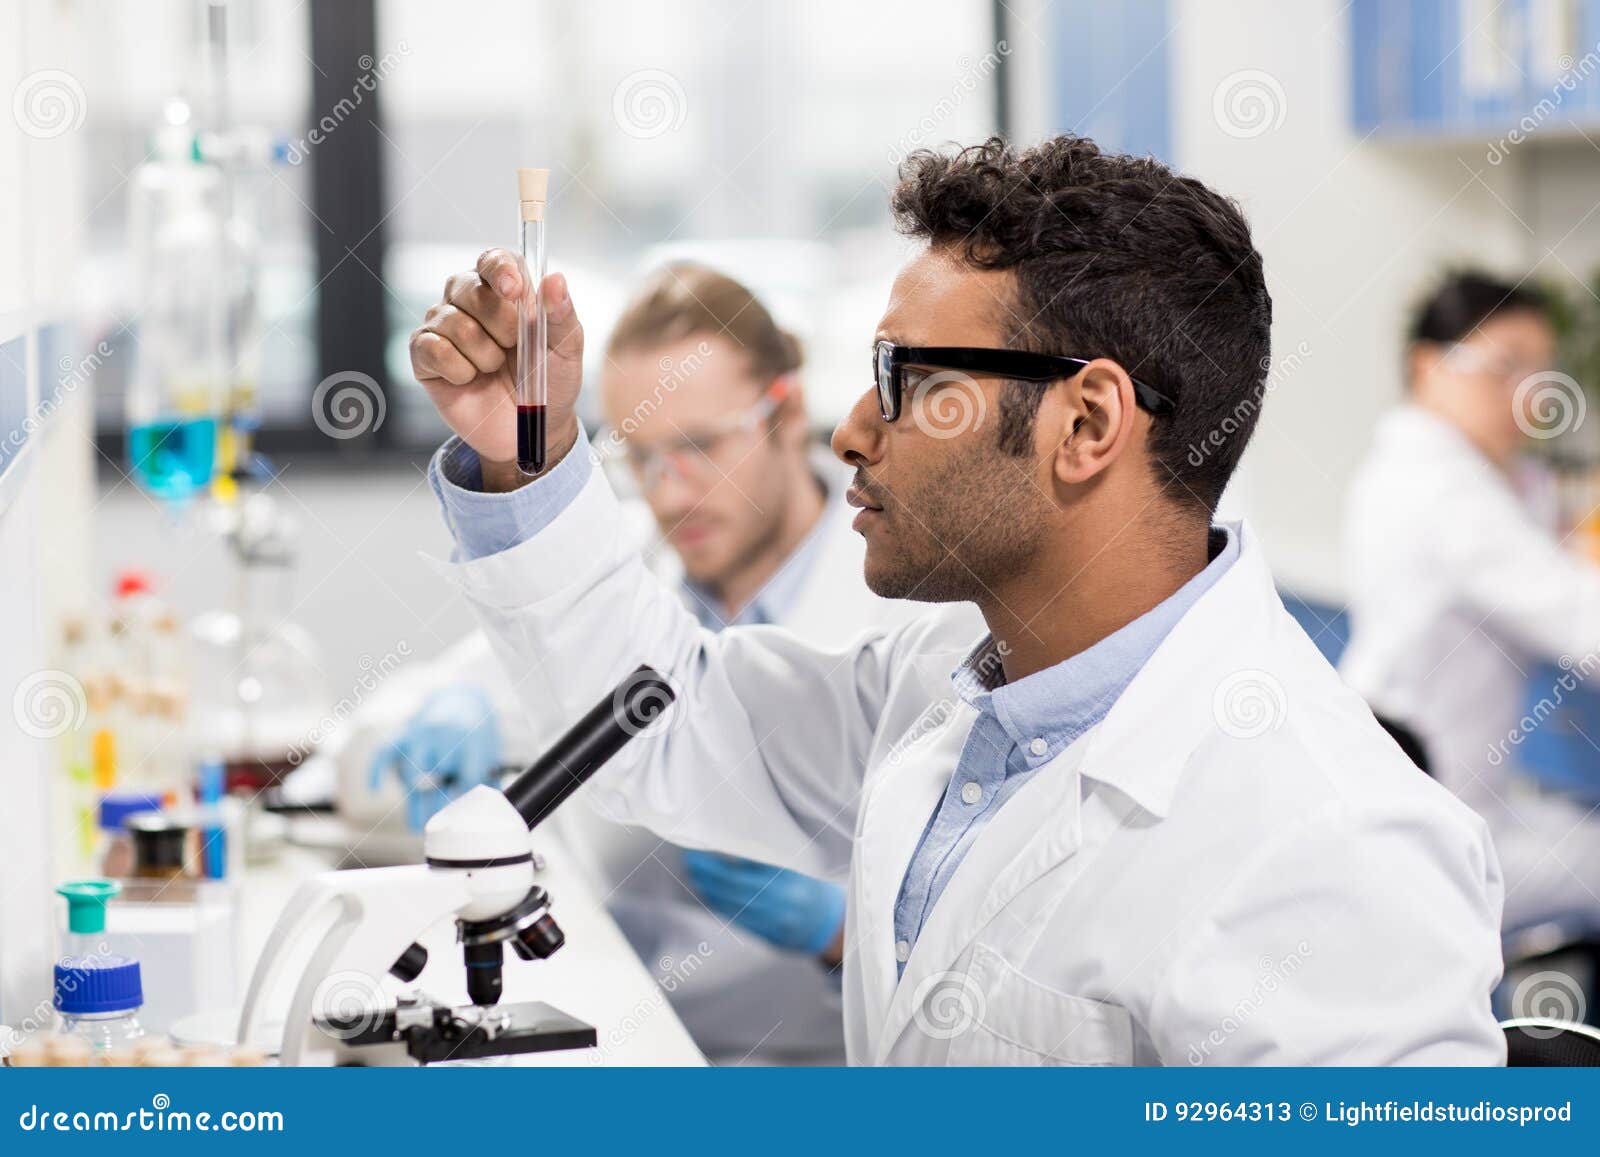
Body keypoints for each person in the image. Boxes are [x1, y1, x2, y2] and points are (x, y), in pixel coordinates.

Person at [410, 135, 1506, 1065]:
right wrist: (529, 458)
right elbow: (665, 717)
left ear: (1085, 426)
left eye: (910, 381)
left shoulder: (1333, 843)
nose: (848, 431)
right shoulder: (950, 678)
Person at [345, 263, 943, 1063]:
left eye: (699, 445)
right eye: (645, 457)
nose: (671, 492)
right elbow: (421, 702)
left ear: (787, 410)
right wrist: (442, 718)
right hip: (613, 1032)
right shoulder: (626, 582)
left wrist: (842, 932)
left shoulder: (914, 614)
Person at [1341, 269, 1600, 937]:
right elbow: (1582, 620)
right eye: (1505, 367)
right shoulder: (1444, 493)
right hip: (1424, 818)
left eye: (1543, 373)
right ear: (1427, 365)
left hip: (1435, 789)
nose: (1530, 397)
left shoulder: (1450, 470)